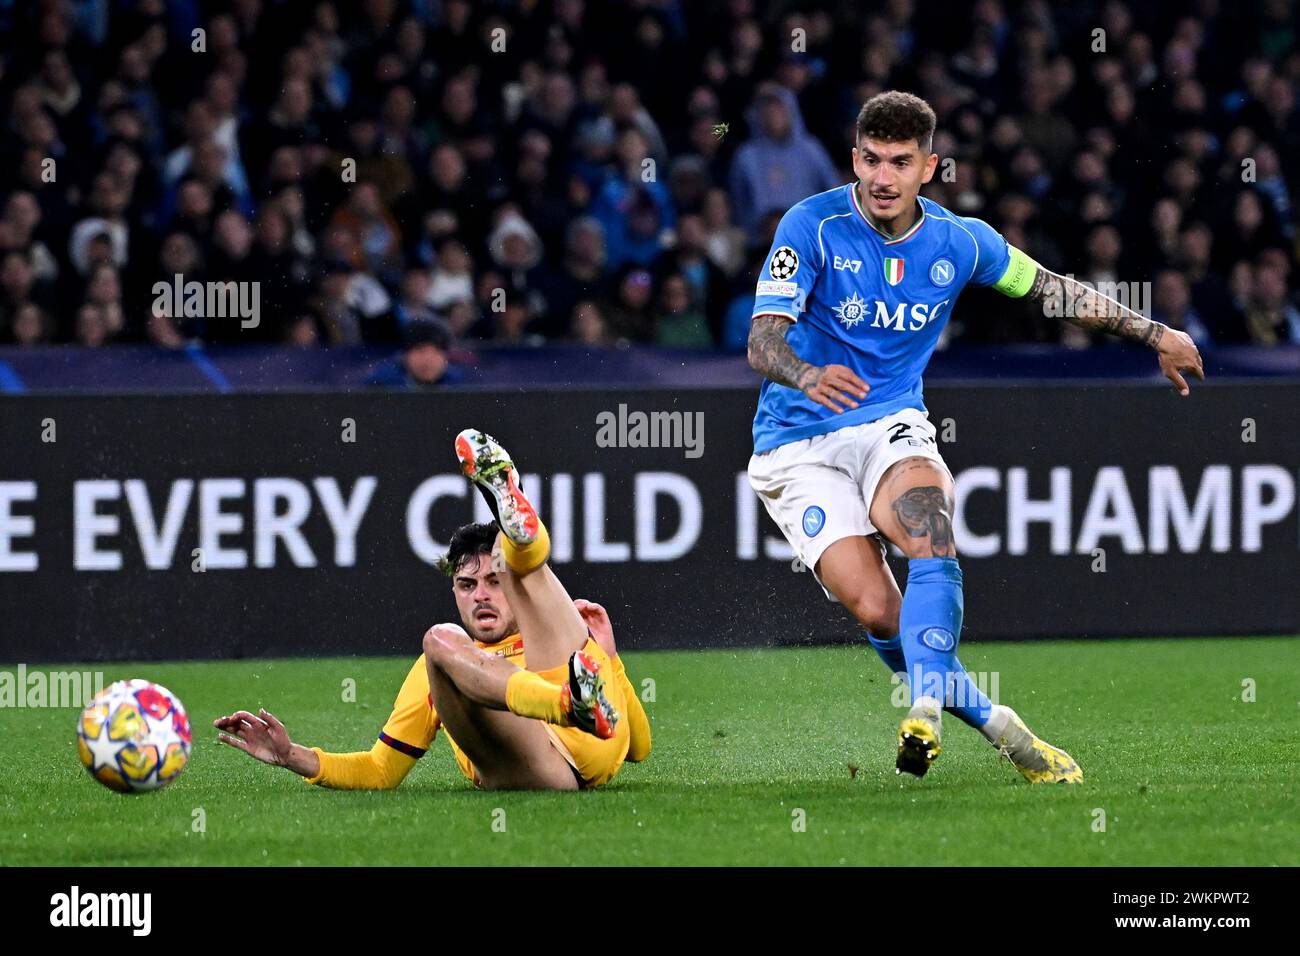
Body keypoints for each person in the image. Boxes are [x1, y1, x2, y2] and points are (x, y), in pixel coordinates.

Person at [745, 91, 1204, 783]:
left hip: (888, 421)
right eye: (870, 159)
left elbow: (1054, 291)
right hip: (794, 441)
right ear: (853, 158)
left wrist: (1156, 333)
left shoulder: (962, 242)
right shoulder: (810, 226)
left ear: (929, 167)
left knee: (929, 528)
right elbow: (761, 341)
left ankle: (924, 704)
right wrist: (805, 374)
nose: (882, 177)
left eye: (900, 162)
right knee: (877, 611)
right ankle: (999, 724)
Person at [215, 429, 651, 790]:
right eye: (466, 584)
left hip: (583, 719)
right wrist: (292, 756)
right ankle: (564, 701)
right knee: (441, 641)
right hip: (539, 767)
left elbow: (639, 749)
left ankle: (516, 532)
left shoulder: (567, 642)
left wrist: (613, 663)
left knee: (509, 551)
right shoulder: (439, 665)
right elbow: (381, 768)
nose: (480, 595)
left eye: (492, 584)